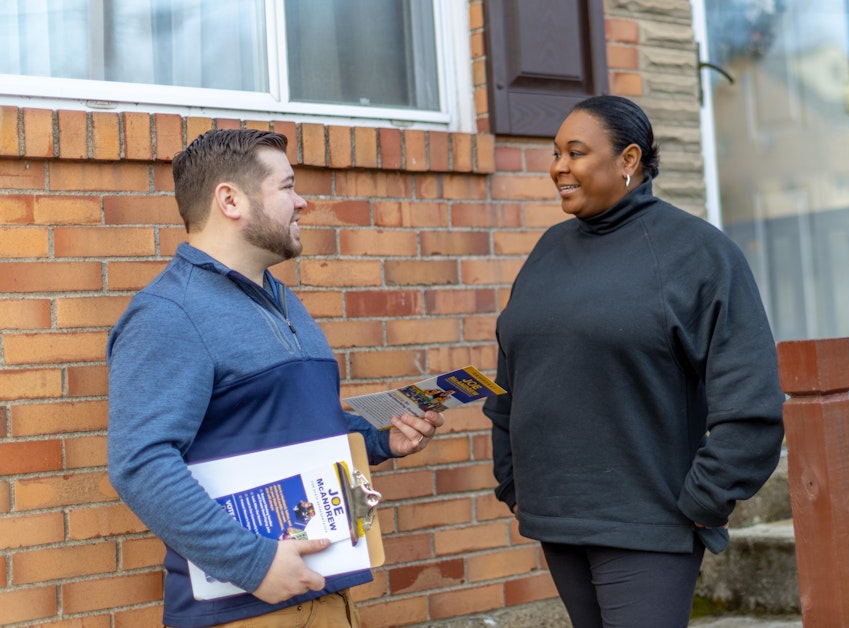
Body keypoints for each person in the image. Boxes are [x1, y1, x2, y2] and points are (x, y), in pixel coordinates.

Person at [107, 129, 443, 628]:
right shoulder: (168, 313)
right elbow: (139, 463)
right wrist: (253, 562)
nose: (302, 202)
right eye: (287, 187)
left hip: (330, 593)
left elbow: (290, 430)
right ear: (230, 199)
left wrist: (378, 441)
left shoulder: (284, 300)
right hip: (245, 610)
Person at [483, 95, 784, 627]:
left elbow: (751, 403)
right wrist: (514, 481)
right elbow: (513, 375)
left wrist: (702, 501)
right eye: (556, 153)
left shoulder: (697, 254)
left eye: (575, 152)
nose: (558, 167)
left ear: (629, 160)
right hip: (556, 517)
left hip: (648, 525)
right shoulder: (548, 251)